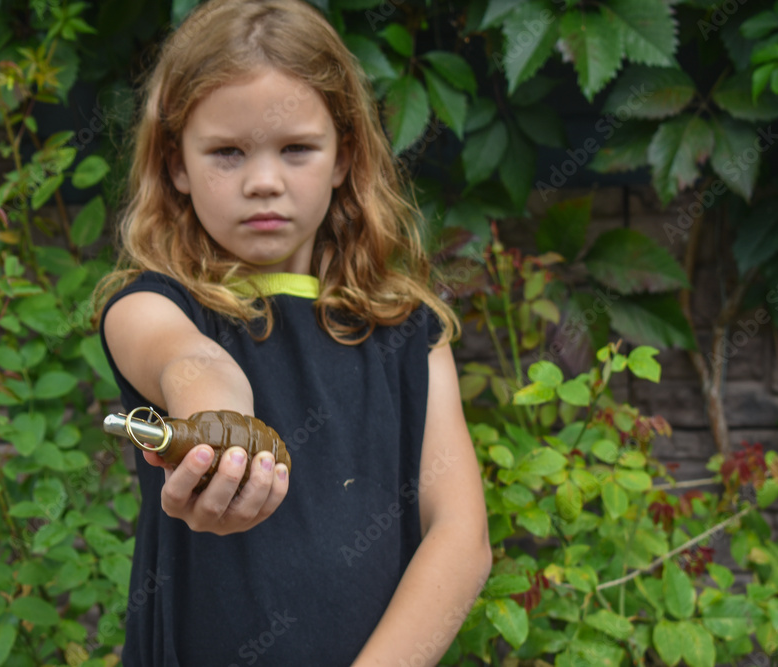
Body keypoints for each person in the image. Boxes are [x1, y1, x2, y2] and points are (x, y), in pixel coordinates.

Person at [94, 0, 492, 664]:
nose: (264, 182)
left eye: (297, 149)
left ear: (344, 157)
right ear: (176, 165)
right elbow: (190, 363)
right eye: (226, 152)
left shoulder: (410, 333)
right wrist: (221, 428)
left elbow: (460, 535)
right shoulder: (150, 305)